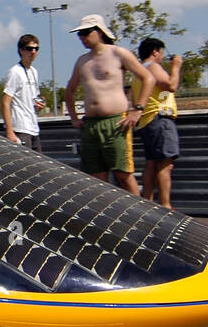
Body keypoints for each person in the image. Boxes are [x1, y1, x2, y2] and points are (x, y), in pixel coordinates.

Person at [64, 13, 154, 193]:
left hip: (116, 122)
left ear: (99, 32)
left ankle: (138, 218)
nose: (82, 38)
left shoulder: (117, 53)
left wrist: (137, 110)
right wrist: (74, 118)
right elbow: (69, 91)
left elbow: (148, 78)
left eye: (86, 32)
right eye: (79, 34)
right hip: (90, 125)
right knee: (96, 178)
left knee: (123, 174)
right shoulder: (82, 61)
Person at [133, 38, 182, 208]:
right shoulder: (153, 67)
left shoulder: (138, 71)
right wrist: (176, 67)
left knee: (151, 163)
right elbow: (171, 85)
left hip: (147, 120)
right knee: (165, 164)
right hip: (160, 118)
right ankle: (166, 205)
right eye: (161, 52)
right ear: (155, 52)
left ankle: (148, 202)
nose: (162, 56)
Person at [2, 33, 46, 150]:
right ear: (21, 50)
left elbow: (33, 99)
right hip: (20, 129)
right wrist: (10, 132)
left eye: (36, 49)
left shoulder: (34, 72)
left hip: (34, 128)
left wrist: (40, 104)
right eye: (29, 49)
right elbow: (5, 102)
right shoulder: (15, 72)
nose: (33, 52)